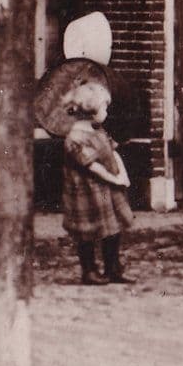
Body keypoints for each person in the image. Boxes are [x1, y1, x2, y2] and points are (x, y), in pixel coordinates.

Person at [62, 77, 133, 285]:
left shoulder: (97, 130)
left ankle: (113, 267)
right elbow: (92, 166)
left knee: (112, 228)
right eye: (104, 108)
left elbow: (113, 152)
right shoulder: (75, 138)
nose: (107, 113)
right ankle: (89, 270)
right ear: (90, 109)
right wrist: (114, 178)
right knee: (88, 232)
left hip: (106, 189)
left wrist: (122, 175)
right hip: (87, 191)